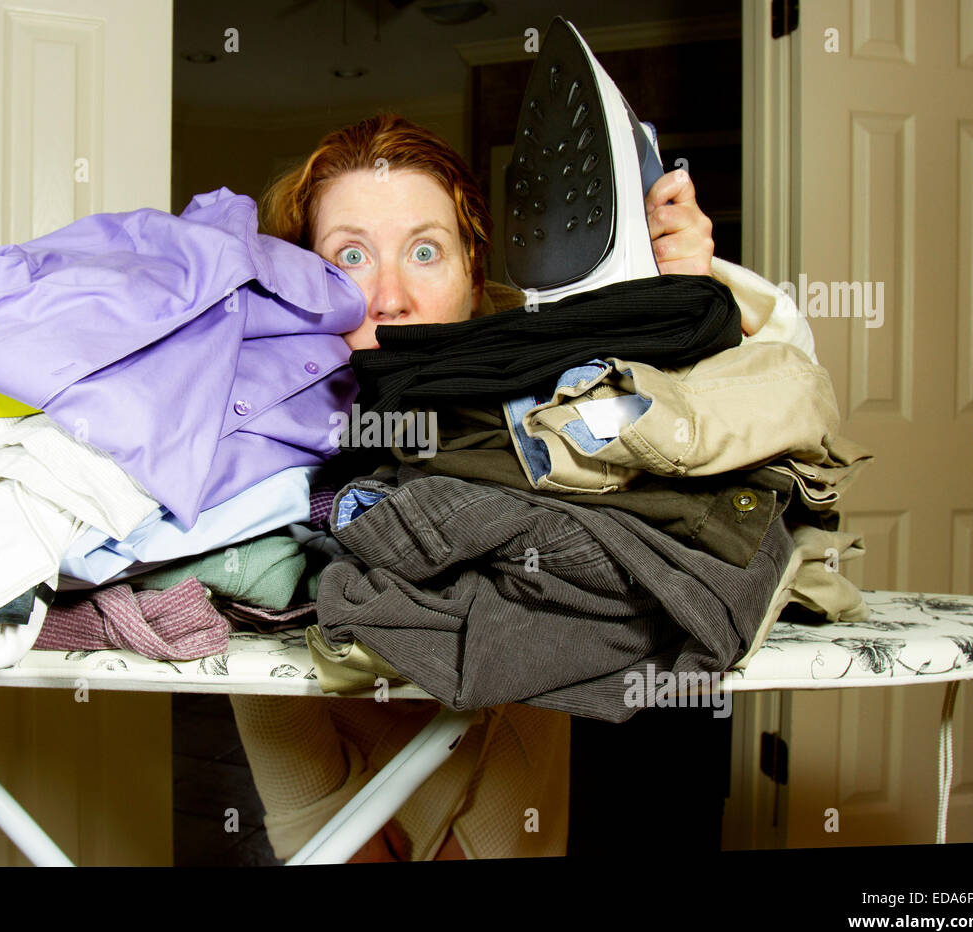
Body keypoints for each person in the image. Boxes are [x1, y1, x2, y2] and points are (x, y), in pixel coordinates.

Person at [229, 113, 716, 863]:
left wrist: (686, 296)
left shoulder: (553, 412)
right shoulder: (250, 445)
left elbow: (727, 433)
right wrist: (325, 826)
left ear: (473, 274)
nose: (389, 296)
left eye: (425, 251)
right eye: (350, 255)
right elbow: (257, 663)